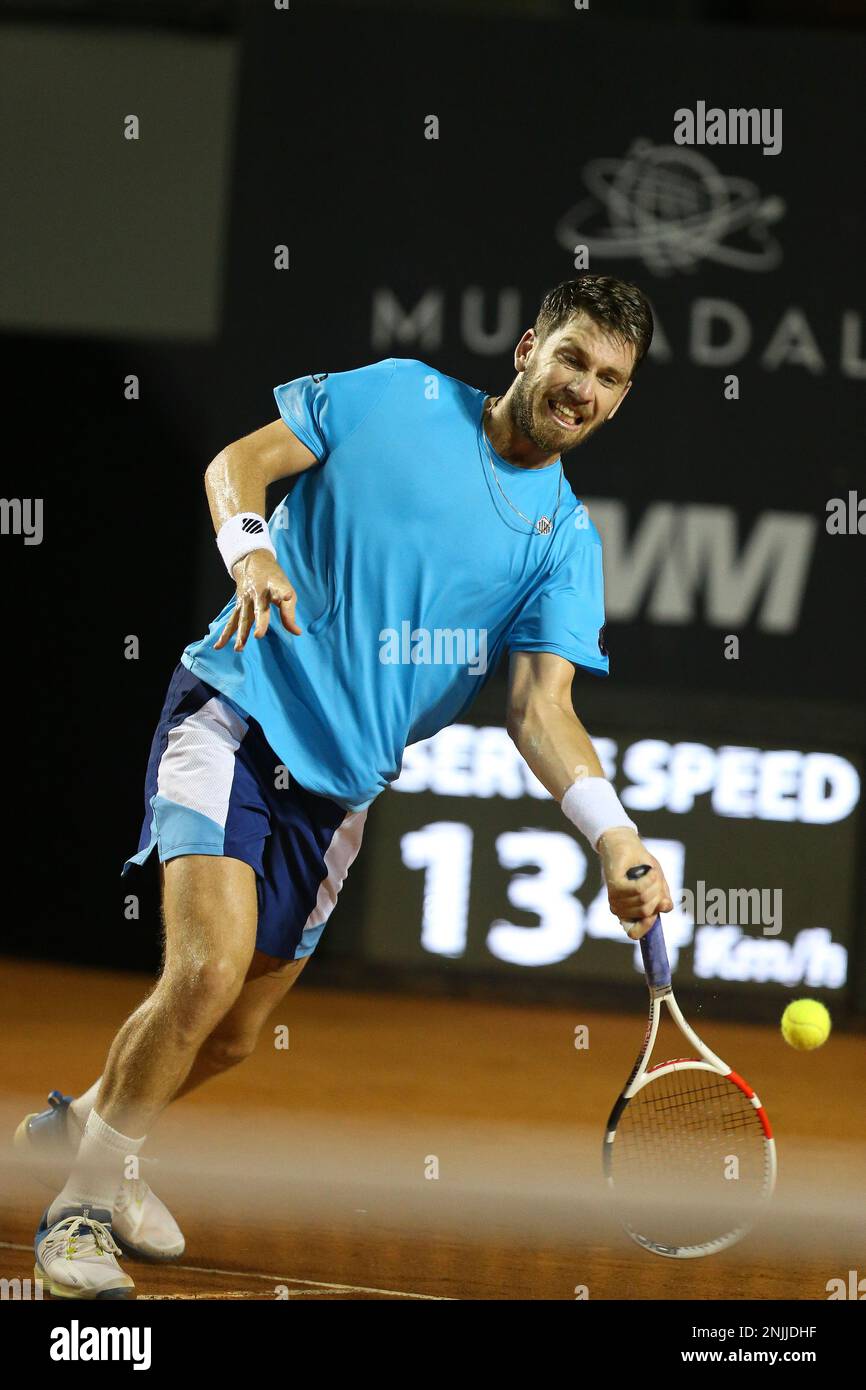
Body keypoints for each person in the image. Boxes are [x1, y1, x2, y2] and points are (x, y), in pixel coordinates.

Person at [20, 275, 674, 1298]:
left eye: (610, 379)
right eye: (573, 360)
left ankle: (87, 1128)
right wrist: (249, 553)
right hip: (238, 710)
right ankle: (80, 1208)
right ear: (527, 348)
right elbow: (238, 465)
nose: (583, 389)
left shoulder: (565, 541)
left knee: (234, 1033)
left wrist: (612, 836)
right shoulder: (396, 397)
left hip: (338, 792)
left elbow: (540, 711)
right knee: (204, 971)